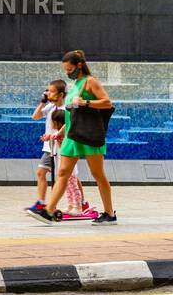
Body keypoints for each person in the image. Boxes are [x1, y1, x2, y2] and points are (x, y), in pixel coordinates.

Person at [27, 50, 116, 224]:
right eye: (66, 70)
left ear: (79, 65)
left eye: (69, 69)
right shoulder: (75, 84)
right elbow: (71, 115)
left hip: (88, 135)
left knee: (98, 174)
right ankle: (48, 211)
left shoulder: (90, 82)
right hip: (72, 135)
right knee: (62, 172)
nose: (68, 73)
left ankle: (109, 213)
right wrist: (59, 133)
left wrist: (86, 102)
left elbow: (107, 102)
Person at [26, 80, 66, 213]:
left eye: (51, 91)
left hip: (59, 146)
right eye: (47, 91)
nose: (48, 93)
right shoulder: (50, 106)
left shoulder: (65, 109)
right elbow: (35, 116)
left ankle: (80, 202)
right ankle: (41, 203)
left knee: (68, 176)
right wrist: (43, 102)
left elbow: (65, 128)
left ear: (60, 94)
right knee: (41, 172)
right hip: (49, 146)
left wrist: (52, 136)